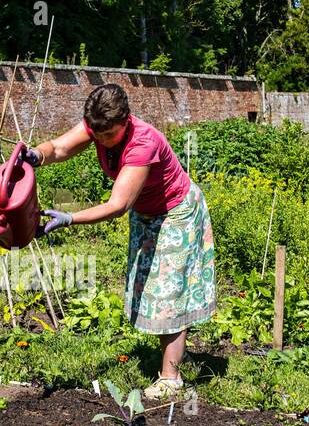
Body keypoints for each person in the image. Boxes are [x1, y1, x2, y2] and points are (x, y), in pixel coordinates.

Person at [26, 83, 216, 399]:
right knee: (151, 287)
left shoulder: (144, 142)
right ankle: (173, 357)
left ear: (126, 121)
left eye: (107, 136)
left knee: (169, 289)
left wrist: (70, 218)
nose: (99, 141)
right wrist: (35, 155)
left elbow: (117, 205)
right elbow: (60, 148)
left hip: (177, 213)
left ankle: (171, 379)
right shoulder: (99, 123)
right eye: (96, 134)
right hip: (147, 213)